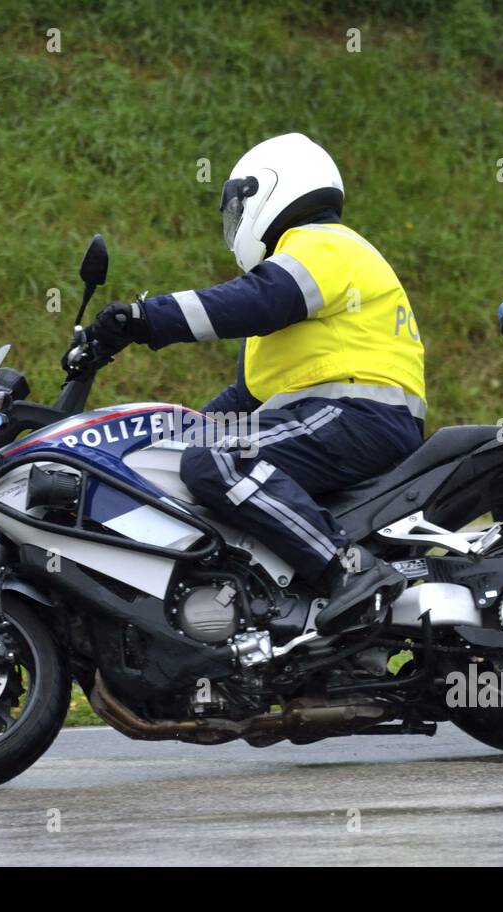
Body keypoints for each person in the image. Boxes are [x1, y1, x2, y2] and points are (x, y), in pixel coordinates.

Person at [81, 132, 426, 633]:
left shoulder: (324, 244)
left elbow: (253, 300)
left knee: (218, 460)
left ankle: (350, 572)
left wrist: (143, 318)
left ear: (268, 189)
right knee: (196, 454)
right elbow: (244, 399)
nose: (235, 226)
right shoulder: (298, 289)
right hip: (325, 418)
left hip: (359, 415)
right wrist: (155, 438)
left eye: (237, 208)